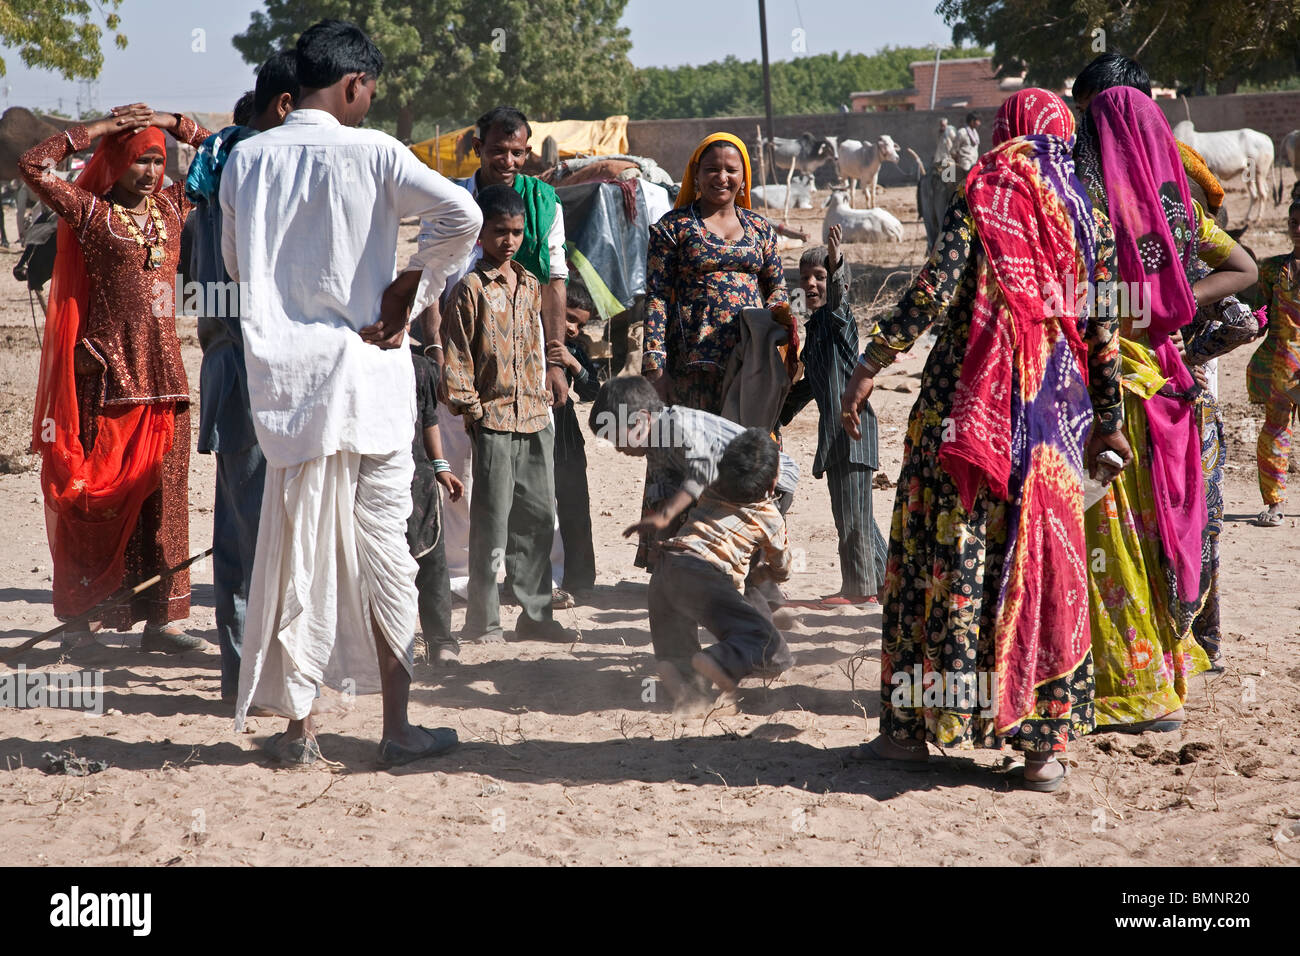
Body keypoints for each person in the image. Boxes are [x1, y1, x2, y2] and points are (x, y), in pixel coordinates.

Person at [840, 89, 1128, 791]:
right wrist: (1110, 418)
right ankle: (1040, 752)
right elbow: (1105, 326)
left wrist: (873, 360)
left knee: (947, 557)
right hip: (1053, 418)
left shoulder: (987, 193)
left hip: (965, 415)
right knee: (1040, 563)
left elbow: (934, 290)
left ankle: (912, 738)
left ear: (1005, 132)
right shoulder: (1088, 214)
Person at [220, 19, 481, 764]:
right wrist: (410, 284)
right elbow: (459, 215)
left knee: (296, 550)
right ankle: (397, 732)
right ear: (354, 85)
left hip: (290, 390)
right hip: (371, 384)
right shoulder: (375, 151)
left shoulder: (248, 159)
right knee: (386, 558)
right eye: (370, 91)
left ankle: (300, 733)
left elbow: (240, 268)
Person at [1076, 85, 1256, 733]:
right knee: (1163, 538)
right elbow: (1244, 266)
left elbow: (1078, 302)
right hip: (1173, 383)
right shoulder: (1175, 205)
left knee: (1114, 537)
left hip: (1111, 390)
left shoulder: (1089, 204)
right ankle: (1174, 666)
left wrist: (1124, 311)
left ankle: (1137, 688)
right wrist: (1171, 307)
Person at [20, 103, 214, 653]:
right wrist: (100, 130)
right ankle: (81, 622)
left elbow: (224, 154)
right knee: (92, 499)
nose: (151, 171)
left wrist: (177, 122)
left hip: (167, 380)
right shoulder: (90, 213)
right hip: (105, 377)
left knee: (166, 501)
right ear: (117, 160)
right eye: (139, 160)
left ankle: (162, 621)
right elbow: (33, 165)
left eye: (158, 160)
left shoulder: (174, 209)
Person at [410, 105, 572, 606]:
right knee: (457, 461)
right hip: (458, 352)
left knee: (529, 472)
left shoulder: (543, 204)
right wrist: (436, 350)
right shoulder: (452, 200)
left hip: (522, 360)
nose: (507, 160)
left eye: (517, 152)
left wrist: (556, 358)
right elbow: (431, 276)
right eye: (497, 150)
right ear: (476, 148)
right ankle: (460, 575)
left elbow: (555, 282)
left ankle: (540, 579)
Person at [187, 50, 298, 703]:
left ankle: (241, 675)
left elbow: (195, 294)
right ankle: (263, 677)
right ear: (286, 106)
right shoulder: (257, 173)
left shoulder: (214, 169)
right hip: (262, 368)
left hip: (227, 368)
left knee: (239, 531)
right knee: (267, 530)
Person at [442, 184, 571, 644]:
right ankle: (484, 620)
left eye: (516, 232)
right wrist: (473, 414)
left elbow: (536, 348)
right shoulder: (469, 290)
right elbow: (457, 361)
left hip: (535, 418)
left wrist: (550, 381)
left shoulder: (532, 284)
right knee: (491, 524)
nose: (510, 240)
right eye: (500, 232)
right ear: (481, 233)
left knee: (537, 518)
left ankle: (536, 615)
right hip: (493, 420)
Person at [591, 375, 800, 628]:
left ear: (641, 420)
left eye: (616, 438)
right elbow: (668, 490)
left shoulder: (677, 424)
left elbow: (703, 470)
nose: (617, 449)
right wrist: (663, 539)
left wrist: (667, 515)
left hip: (766, 481)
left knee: (739, 562)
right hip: (726, 493)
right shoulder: (654, 447)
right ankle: (766, 618)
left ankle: (761, 640)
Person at [641, 132, 791, 414]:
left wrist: (772, 322)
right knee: (692, 446)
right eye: (711, 169)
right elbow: (656, 298)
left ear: (744, 177)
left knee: (747, 446)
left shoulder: (760, 229)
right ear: (696, 174)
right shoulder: (674, 227)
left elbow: (778, 288)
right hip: (691, 361)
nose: (721, 177)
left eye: (731, 170)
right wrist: (654, 366)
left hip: (750, 360)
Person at [649, 428, 793, 716]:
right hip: (703, 574)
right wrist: (766, 574)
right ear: (773, 481)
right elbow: (784, 567)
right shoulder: (769, 517)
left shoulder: (708, 488)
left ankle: (684, 681)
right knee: (767, 643)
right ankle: (719, 660)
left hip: (666, 568)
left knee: (679, 650)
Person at [780, 224, 887, 606]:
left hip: (854, 430)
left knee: (851, 518)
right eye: (804, 277)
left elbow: (840, 295)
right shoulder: (816, 330)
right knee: (856, 513)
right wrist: (778, 412)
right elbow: (810, 384)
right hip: (836, 435)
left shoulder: (838, 320)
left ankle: (858, 592)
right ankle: (886, 583)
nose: (810, 284)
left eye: (820, 277)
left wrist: (836, 259)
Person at [544, 282, 602, 597]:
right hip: (534, 441)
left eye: (580, 324)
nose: (573, 328)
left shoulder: (575, 350)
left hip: (567, 444)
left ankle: (579, 579)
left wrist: (572, 363)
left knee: (576, 510)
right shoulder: (529, 340)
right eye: (568, 318)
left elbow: (593, 390)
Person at [408, 348, 465, 665]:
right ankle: (387, 645)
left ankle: (440, 640)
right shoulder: (356, 361)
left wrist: (440, 467)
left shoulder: (420, 369)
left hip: (420, 478)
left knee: (432, 560)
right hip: (368, 479)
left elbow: (429, 418)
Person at [1246, 200, 1300, 528]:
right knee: (1275, 433)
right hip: (1280, 365)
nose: (1297, 227)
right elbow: (1259, 315)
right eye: (1293, 221)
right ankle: (1274, 503)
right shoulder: (1271, 269)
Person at [952, 111, 982, 180]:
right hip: (964, 164)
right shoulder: (962, 132)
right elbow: (954, 150)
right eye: (977, 121)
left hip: (973, 163)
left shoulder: (975, 133)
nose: (979, 123)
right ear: (972, 121)